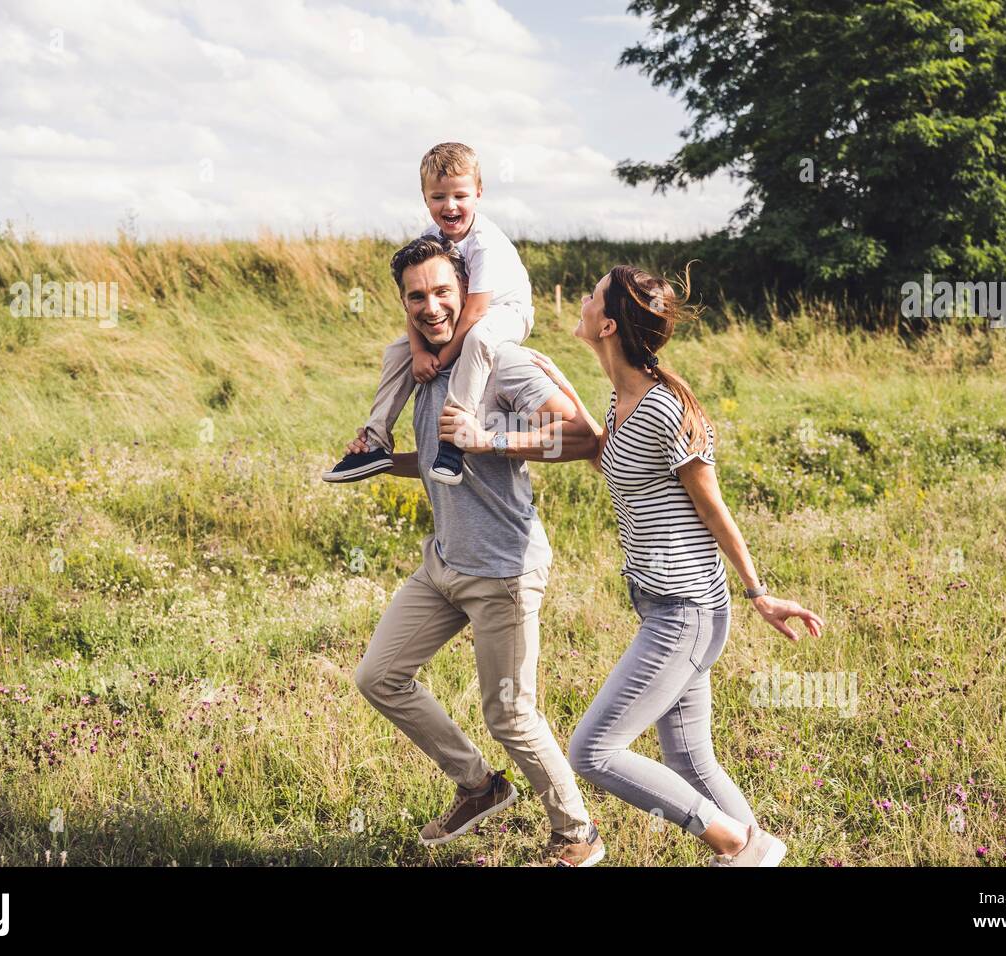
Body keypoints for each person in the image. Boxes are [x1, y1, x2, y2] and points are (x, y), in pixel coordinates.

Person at [469, 264, 825, 866]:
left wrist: (759, 591)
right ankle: (755, 855)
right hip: (665, 605)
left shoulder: (664, 409)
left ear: (607, 323)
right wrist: (546, 417)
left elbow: (713, 507)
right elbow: (610, 462)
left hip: (686, 612)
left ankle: (736, 844)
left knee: (593, 751)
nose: (582, 298)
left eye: (592, 295)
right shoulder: (622, 397)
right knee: (689, 758)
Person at [350, 236, 605, 866]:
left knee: (512, 716)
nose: (431, 306)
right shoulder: (422, 368)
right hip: (443, 563)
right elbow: (442, 462)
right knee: (379, 677)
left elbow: (579, 436)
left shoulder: (503, 362)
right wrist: (383, 462)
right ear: (403, 301)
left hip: (503, 571)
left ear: (466, 295)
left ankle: (578, 834)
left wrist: (489, 437)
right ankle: (479, 786)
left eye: (442, 292)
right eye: (417, 295)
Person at [323, 142, 534, 487]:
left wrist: (442, 356)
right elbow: (412, 301)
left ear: (479, 193)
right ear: (425, 198)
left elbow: (478, 310)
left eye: (460, 196)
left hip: (506, 312)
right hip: (459, 309)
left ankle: (453, 437)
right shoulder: (430, 239)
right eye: (438, 197)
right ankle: (375, 440)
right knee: (397, 350)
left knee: (479, 338)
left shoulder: (485, 244)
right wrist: (419, 352)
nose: (450, 206)